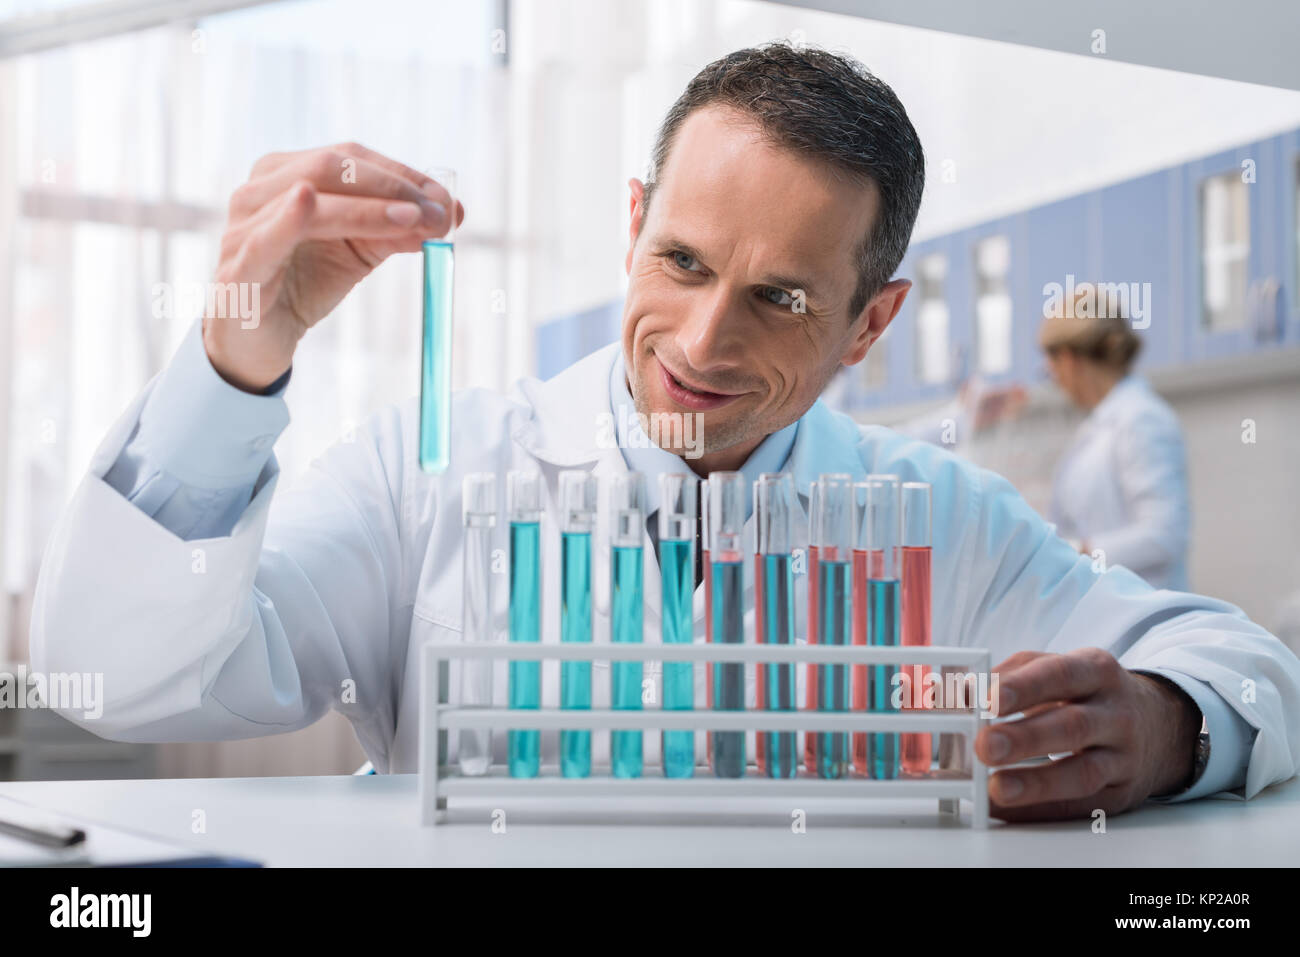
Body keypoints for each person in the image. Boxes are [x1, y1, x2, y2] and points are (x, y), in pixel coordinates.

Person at [31, 42, 1298, 822]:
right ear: (634, 217)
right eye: (680, 260)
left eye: (781, 298)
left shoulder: (938, 516)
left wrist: (1163, 727)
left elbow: (1236, 661)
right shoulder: (435, 472)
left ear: (870, 325)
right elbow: (130, 682)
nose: (699, 344)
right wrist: (234, 359)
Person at [1039, 296, 1191, 591]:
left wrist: (1078, 551)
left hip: (1146, 613)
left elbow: (1164, 535)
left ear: (1069, 360)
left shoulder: (1142, 419)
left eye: (1052, 366)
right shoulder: (1098, 426)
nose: (1055, 380)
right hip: (1107, 609)